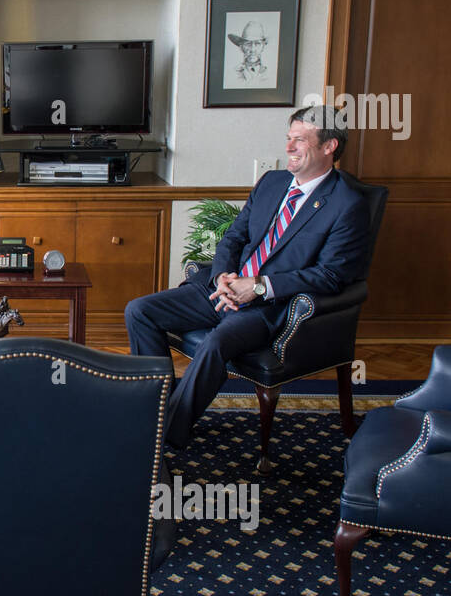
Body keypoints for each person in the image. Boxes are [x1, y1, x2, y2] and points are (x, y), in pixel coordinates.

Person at [124, 105, 370, 451]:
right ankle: (153, 408)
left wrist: (258, 287)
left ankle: (166, 434)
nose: (288, 148)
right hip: (224, 288)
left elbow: (331, 275)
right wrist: (225, 277)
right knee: (140, 310)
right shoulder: (273, 183)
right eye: (288, 138)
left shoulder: (347, 204)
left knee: (215, 344)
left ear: (329, 146)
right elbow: (235, 237)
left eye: (300, 140)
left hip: (269, 307)